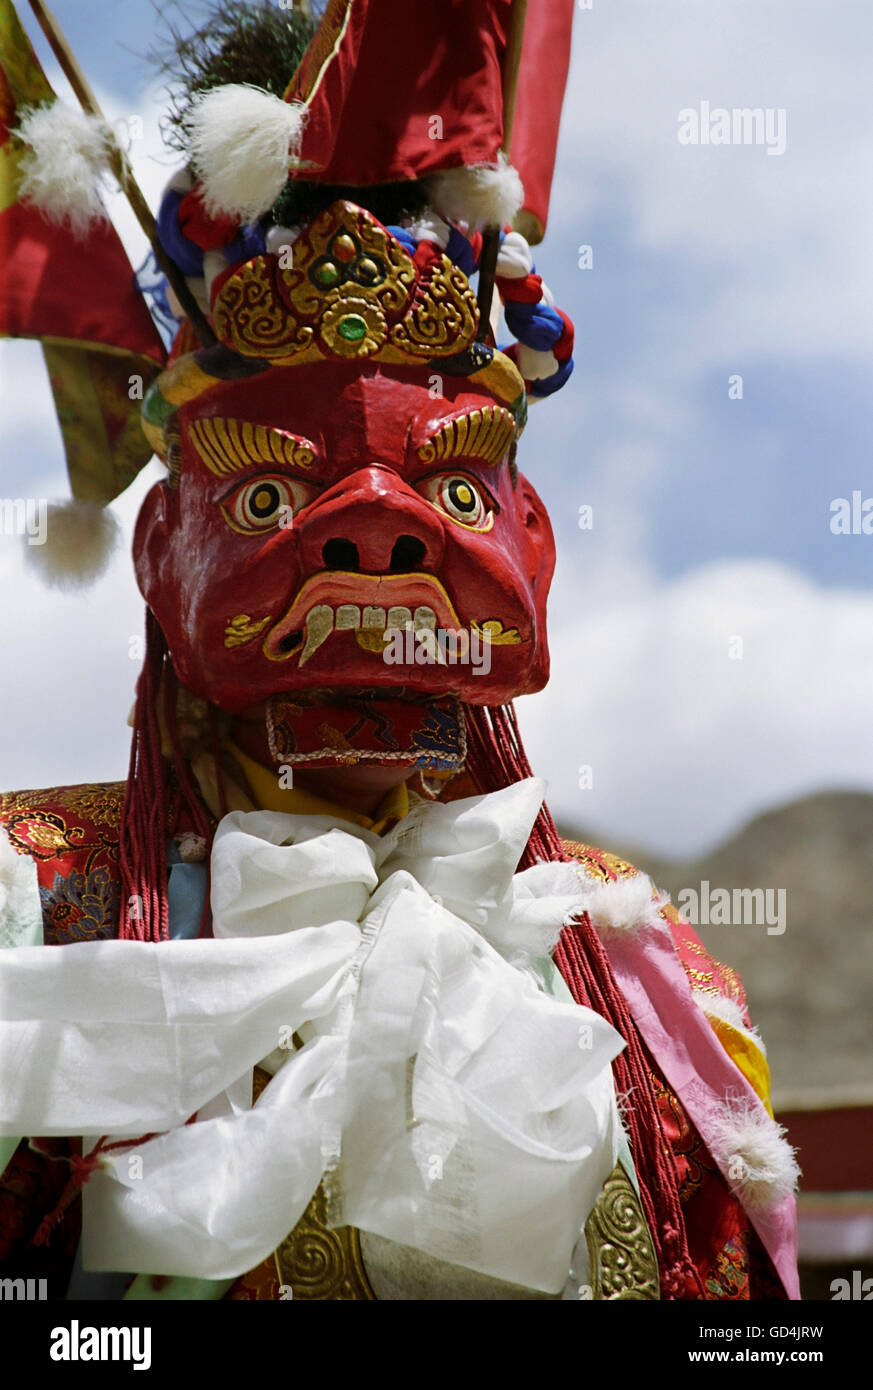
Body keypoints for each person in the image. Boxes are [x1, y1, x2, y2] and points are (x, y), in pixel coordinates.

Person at [0, 0, 798, 1301]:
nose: (375, 545)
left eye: (458, 496)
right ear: (159, 555)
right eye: (268, 498)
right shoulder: (32, 918)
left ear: (533, 542)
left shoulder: (657, 979)